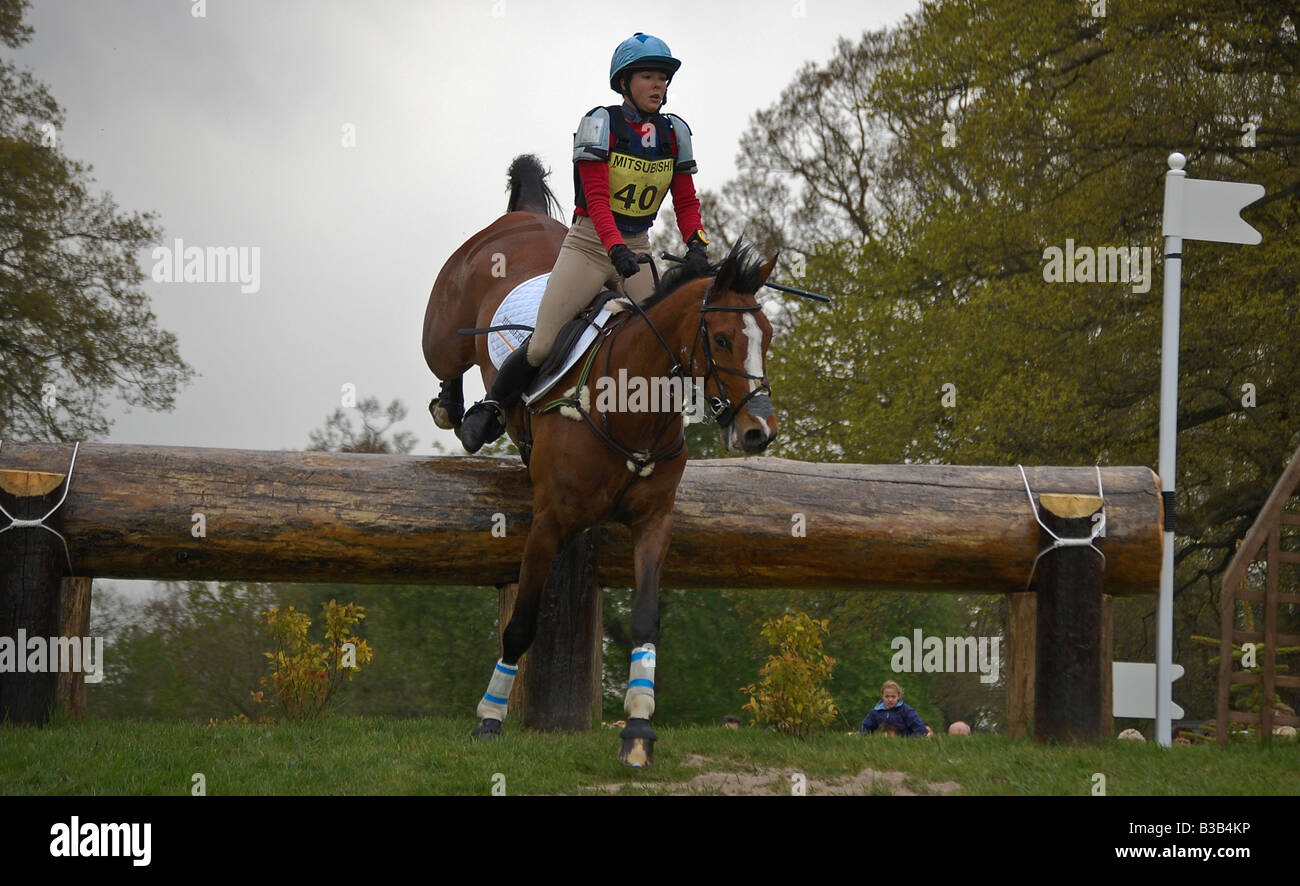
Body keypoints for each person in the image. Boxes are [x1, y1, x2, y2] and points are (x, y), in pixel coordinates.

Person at [459, 32, 711, 452]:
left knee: (663, 347)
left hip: (638, 248)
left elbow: (686, 200)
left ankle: (650, 438)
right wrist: (614, 248)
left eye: (663, 78)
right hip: (590, 246)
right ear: (625, 83)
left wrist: (697, 244)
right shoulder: (600, 124)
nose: (659, 85)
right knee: (542, 343)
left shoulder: (675, 134)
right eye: (649, 76)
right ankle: (492, 407)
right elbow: (595, 201)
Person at [860, 680, 930, 739]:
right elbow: (865, 729)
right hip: (881, 743)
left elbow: (920, 729)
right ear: (882, 696)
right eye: (887, 696)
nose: (890, 699)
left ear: (898, 696)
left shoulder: (906, 710)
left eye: (893, 697)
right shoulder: (875, 712)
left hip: (903, 742)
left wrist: (909, 742)